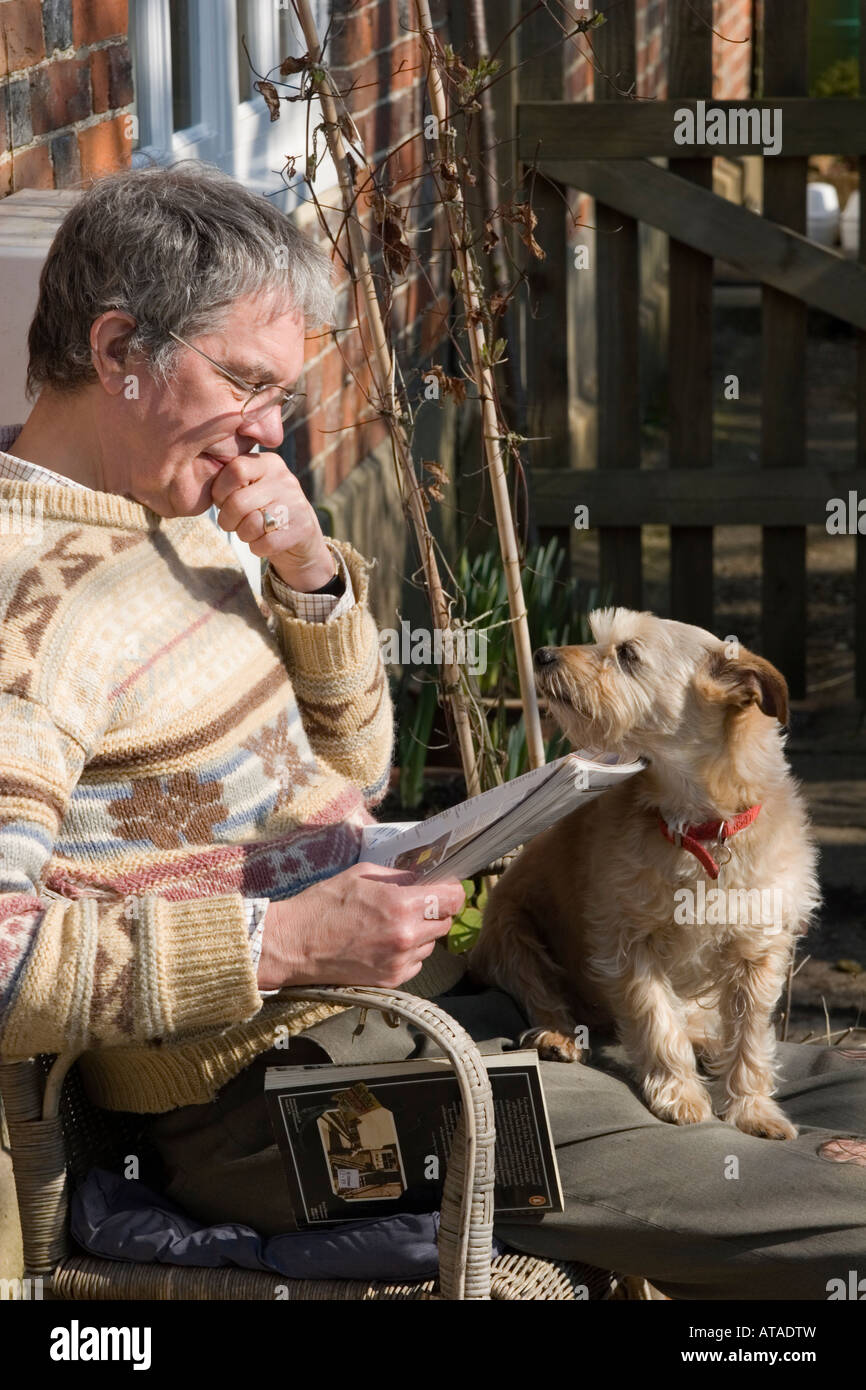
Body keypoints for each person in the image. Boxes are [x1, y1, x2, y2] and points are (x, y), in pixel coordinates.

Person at [0, 164, 863, 1301]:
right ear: (118, 352)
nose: (268, 432)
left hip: (437, 1007)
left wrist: (309, 578)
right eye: (248, 384)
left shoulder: (188, 510)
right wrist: (288, 942)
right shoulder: (29, 611)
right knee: (835, 1215)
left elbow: (353, 762)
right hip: (276, 1098)